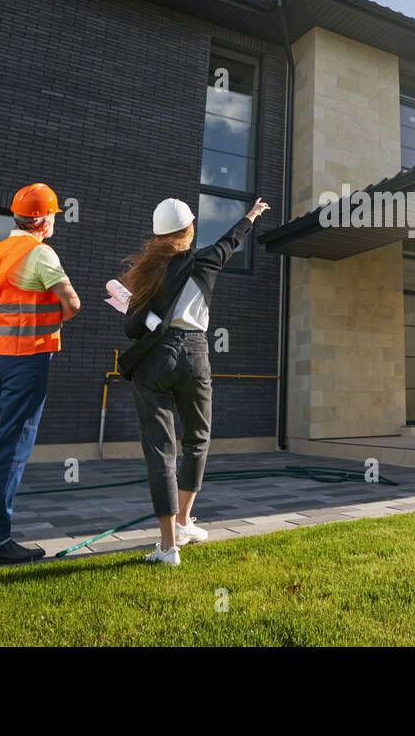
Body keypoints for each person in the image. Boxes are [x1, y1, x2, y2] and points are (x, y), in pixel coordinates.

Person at [119, 196, 270, 566]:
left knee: (160, 450)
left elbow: (131, 328)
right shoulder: (204, 260)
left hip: (155, 360)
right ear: (188, 230)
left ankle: (169, 546)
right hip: (196, 354)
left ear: (157, 236)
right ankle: (185, 518)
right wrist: (250, 215)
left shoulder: (148, 272)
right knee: (197, 439)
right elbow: (231, 241)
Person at [0, 182, 81, 565]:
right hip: (26, 357)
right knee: (13, 445)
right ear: (42, 221)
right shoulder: (40, 255)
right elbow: (72, 303)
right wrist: (54, 317)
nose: (55, 222)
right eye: (53, 216)